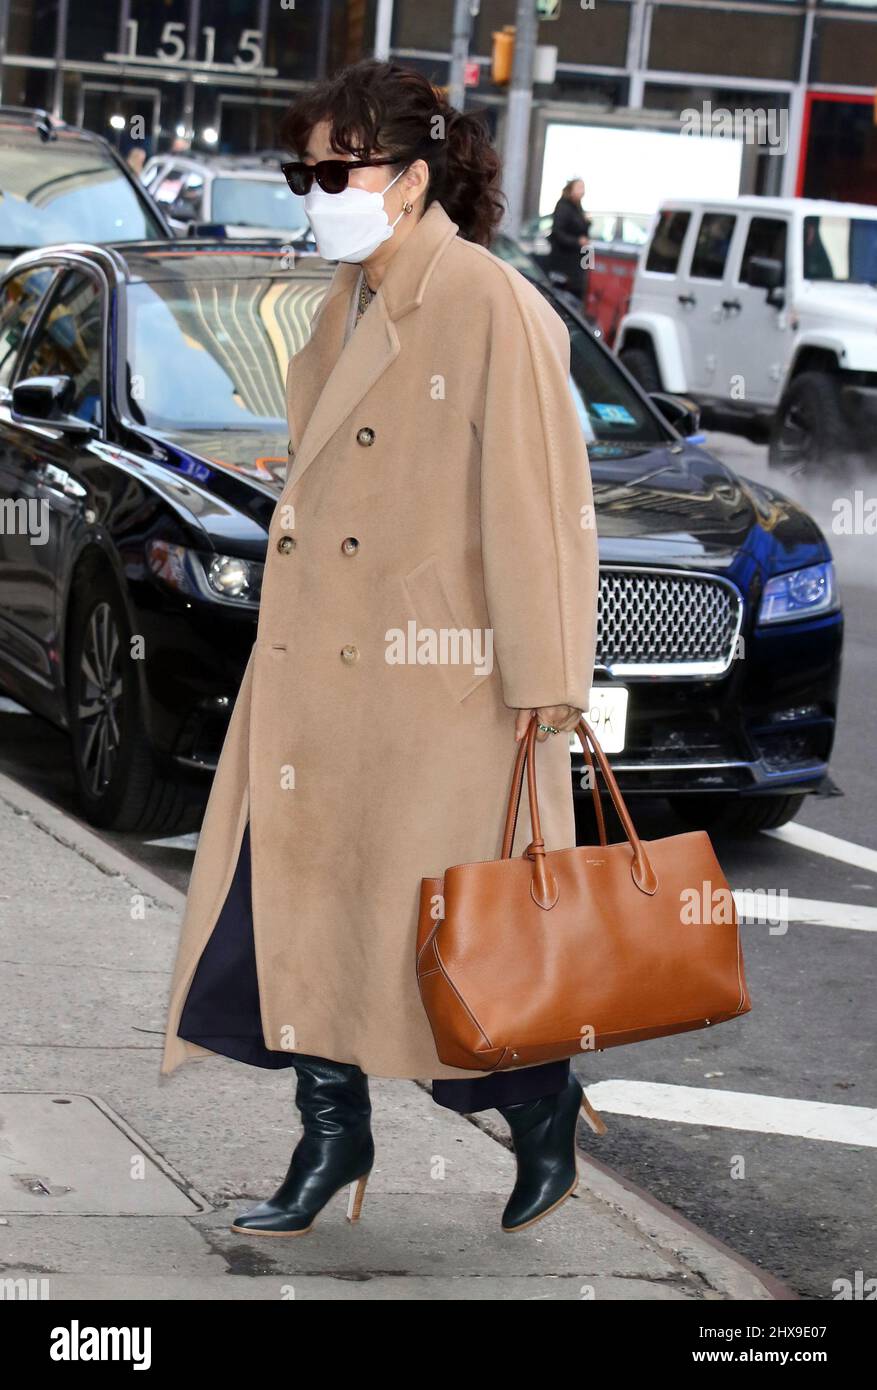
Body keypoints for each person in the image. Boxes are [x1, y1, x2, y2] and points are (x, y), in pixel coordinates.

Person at [160, 59, 599, 1238]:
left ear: (409, 178)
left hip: (436, 691)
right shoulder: (338, 299)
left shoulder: (489, 302)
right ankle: (330, 1135)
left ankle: (542, 1109)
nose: (315, 190)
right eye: (302, 171)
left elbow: (538, 502)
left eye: (334, 169)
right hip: (321, 676)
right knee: (292, 900)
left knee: (450, 927)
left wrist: (548, 684)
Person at [548, 177, 591, 305]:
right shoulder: (563, 206)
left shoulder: (578, 207)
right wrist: (577, 241)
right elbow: (558, 233)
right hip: (564, 263)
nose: (582, 191)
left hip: (578, 261)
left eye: (583, 188)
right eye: (579, 188)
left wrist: (588, 222)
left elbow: (582, 229)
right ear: (570, 189)